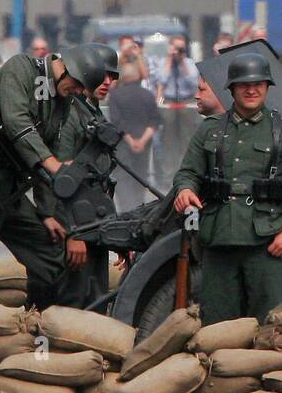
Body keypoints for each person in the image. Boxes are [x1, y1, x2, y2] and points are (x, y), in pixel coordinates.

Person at [172, 53, 282, 324]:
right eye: (244, 85)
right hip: (219, 241)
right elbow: (188, 172)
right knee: (217, 322)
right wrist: (184, 191)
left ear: (267, 87)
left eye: (258, 84)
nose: (251, 90)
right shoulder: (210, 130)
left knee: (270, 322)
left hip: (267, 242)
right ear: (232, 89)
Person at [0, 45, 106, 308]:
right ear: (66, 69)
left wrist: (49, 213)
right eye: (78, 85)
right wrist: (53, 165)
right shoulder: (19, 69)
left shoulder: (63, 99)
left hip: (12, 191)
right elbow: (17, 124)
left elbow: (54, 152)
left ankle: (52, 328)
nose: (78, 93)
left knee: (55, 259)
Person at [50, 43, 121, 308]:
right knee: (75, 300)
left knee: (97, 298)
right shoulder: (71, 113)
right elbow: (61, 176)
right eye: (102, 75)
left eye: (112, 77)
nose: (106, 82)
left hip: (95, 219)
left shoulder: (92, 113)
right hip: (77, 222)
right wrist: (73, 234)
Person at [109, 49, 164, 212]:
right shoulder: (147, 95)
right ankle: (139, 210)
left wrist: (131, 140)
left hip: (124, 146)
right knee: (141, 177)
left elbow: (116, 121)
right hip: (143, 146)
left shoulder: (115, 95)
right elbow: (155, 120)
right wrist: (142, 140)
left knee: (124, 178)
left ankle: (126, 210)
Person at [155, 35, 200, 185]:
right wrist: (169, 59)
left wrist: (182, 62)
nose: (178, 51)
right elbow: (161, 79)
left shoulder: (189, 63)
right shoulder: (164, 62)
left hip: (187, 101)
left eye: (181, 48)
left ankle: (186, 174)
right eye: (176, 48)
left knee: (186, 140)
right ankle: (169, 176)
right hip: (169, 102)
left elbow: (193, 81)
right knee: (168, 140)